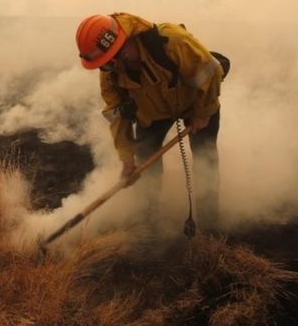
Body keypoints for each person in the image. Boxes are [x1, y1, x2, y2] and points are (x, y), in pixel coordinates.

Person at [75, 12, 225, 230]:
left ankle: (211, 226)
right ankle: (149, 224)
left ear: (123, 46)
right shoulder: (110, 73)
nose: (106, 69)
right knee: (145, 161)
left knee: (205, 158)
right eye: (102, 65)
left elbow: (211, 72)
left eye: (108, 63)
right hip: (152, 113)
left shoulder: (172, 40)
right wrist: (127, 159)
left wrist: (202, 113)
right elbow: (116, 116)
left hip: (196, 102)